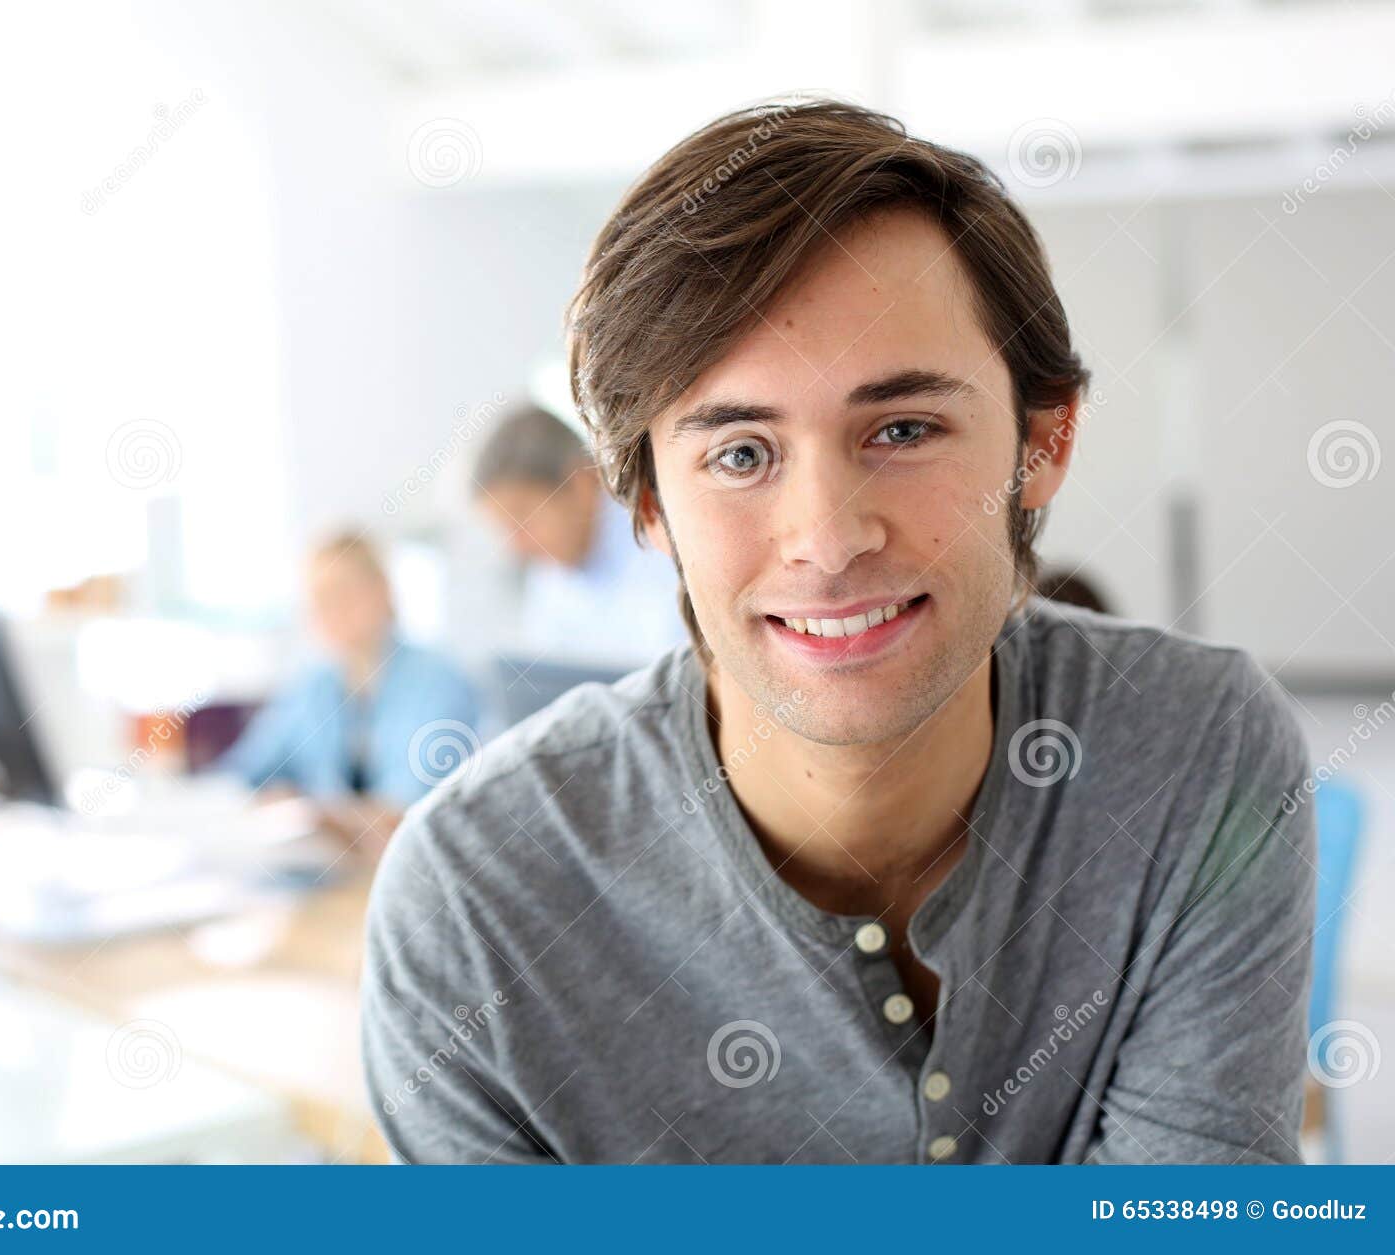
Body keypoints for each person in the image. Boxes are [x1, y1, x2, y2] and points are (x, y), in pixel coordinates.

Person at [361, 100, 1316, 1164]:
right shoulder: (474, 908)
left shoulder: (1194, 750)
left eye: (903, 429)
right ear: (646, 505)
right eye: (738, 454)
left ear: (1042, 442)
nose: (826, 538)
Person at [219, 531, 480, 858]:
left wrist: (321, 812)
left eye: (345, 593)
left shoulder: (439, 679)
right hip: (329, 871)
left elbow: (409, 811)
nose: (332, 610)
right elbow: (246, 775)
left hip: (415, 867)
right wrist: (283, 800)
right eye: (319, 599)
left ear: (384, 591)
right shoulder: (311, 685)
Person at [472, 402, 685, 668]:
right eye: (505, 529)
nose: (518, 546)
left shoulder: (668, 545)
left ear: (581, 482)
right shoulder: (548, 578)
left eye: (523, 518)